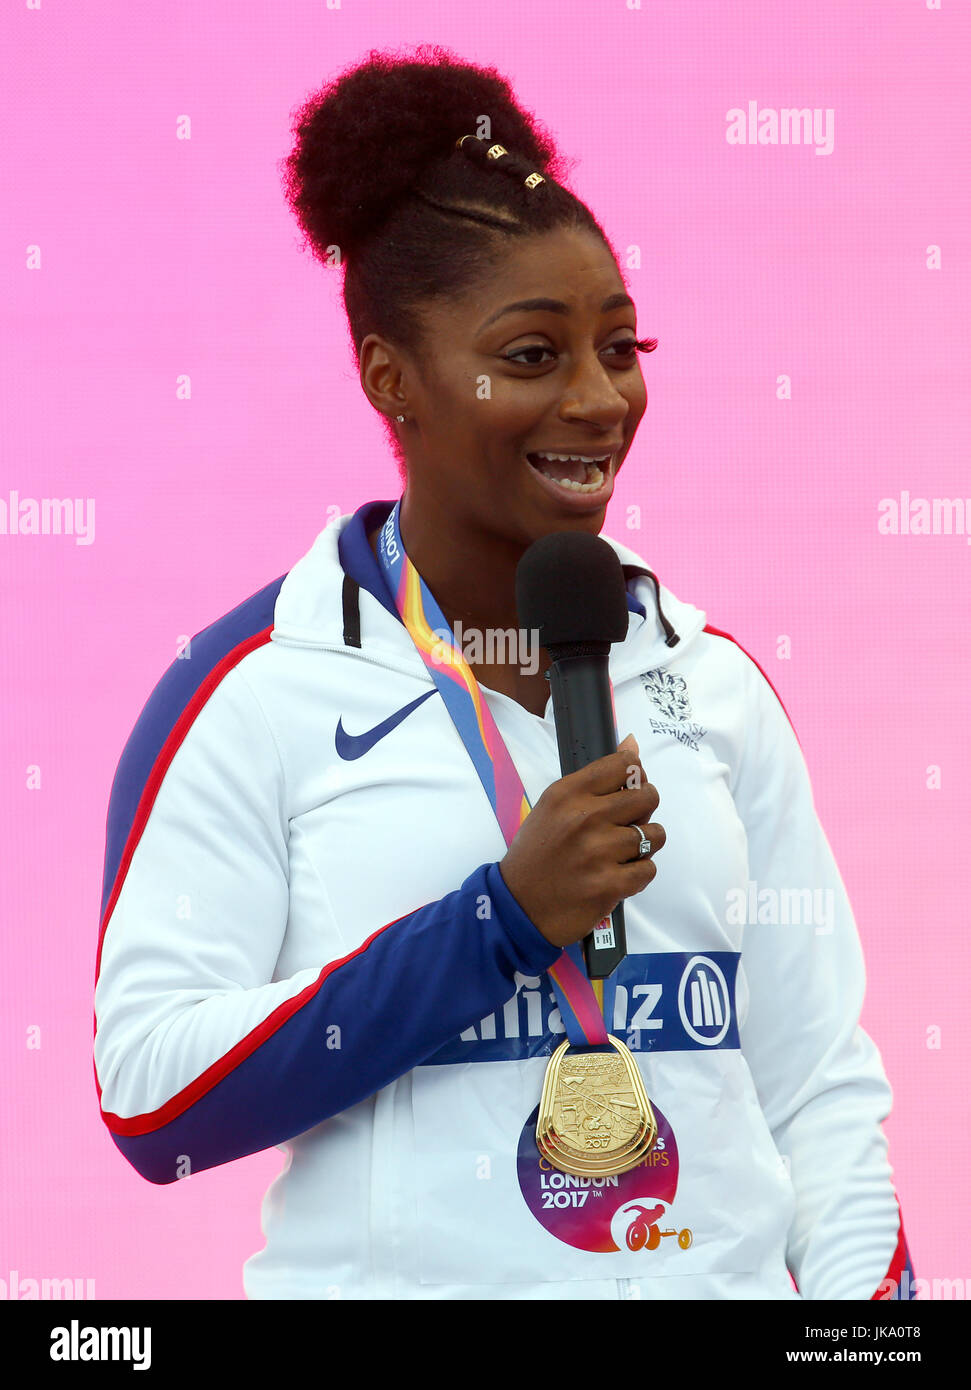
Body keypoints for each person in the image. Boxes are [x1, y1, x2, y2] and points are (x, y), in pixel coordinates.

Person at [94, 45, 914, 1301]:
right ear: (389, 376)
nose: (597, 400)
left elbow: (814, 1088)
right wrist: (497, 923)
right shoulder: (254, 687)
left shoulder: (715, 680)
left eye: (621, 347)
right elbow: (152, 1099)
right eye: (531, 356)